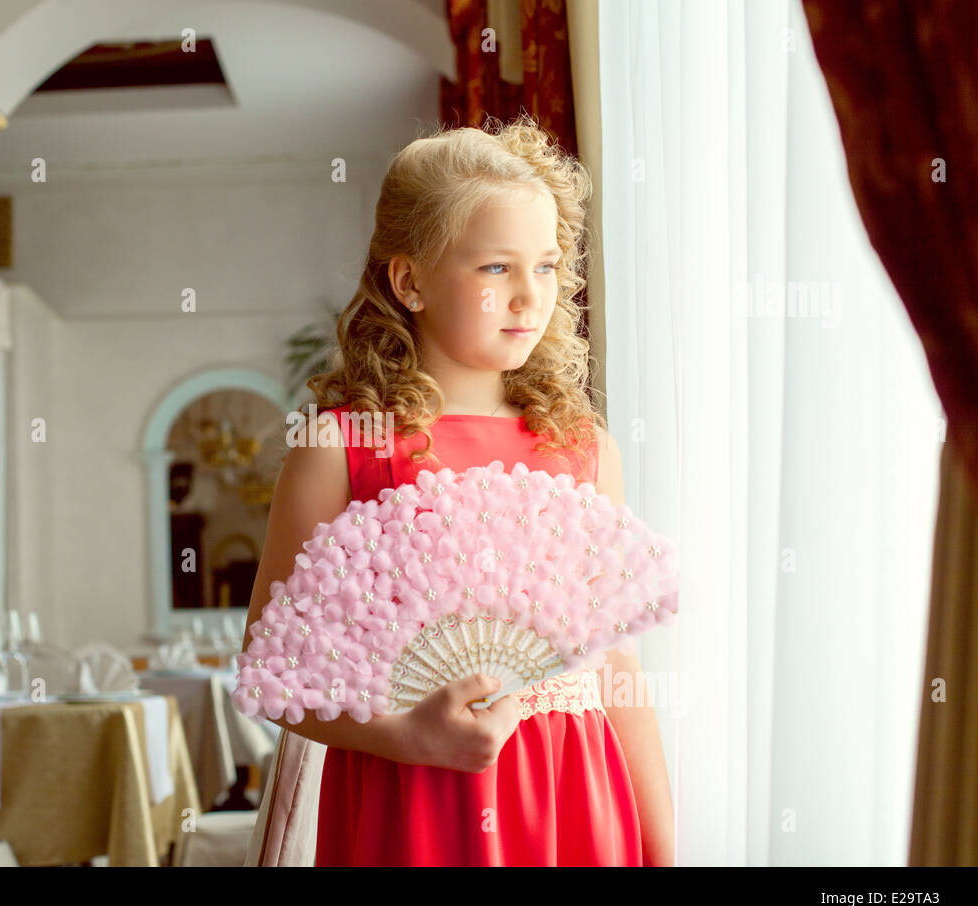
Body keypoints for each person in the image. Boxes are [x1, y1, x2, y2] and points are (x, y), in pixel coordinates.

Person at [242, 114, 674, 865]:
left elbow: (617, 670)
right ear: (410, 280)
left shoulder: (584, 450)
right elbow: (269, 671)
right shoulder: (343, 447)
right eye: (495, 269)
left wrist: (664, 847)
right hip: (415, 802)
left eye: (546, 267)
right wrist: (406, 734)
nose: (528, 298)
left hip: (576, 793)